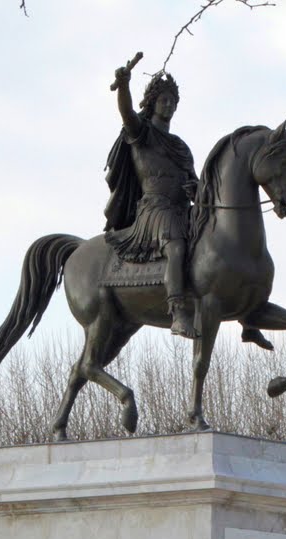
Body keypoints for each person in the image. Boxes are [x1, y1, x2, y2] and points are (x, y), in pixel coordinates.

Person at [105, 57, 200, 338]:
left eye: (173, 101)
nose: (169, 105)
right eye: (164, 100)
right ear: (152, 102)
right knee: (175, 246)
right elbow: (126, 112)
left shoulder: (180, 146)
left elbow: (193, 179)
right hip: (155, 210)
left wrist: (195, 191)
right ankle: (178, 312)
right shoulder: (142, 133)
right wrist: (124, 85)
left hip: (183, 208)